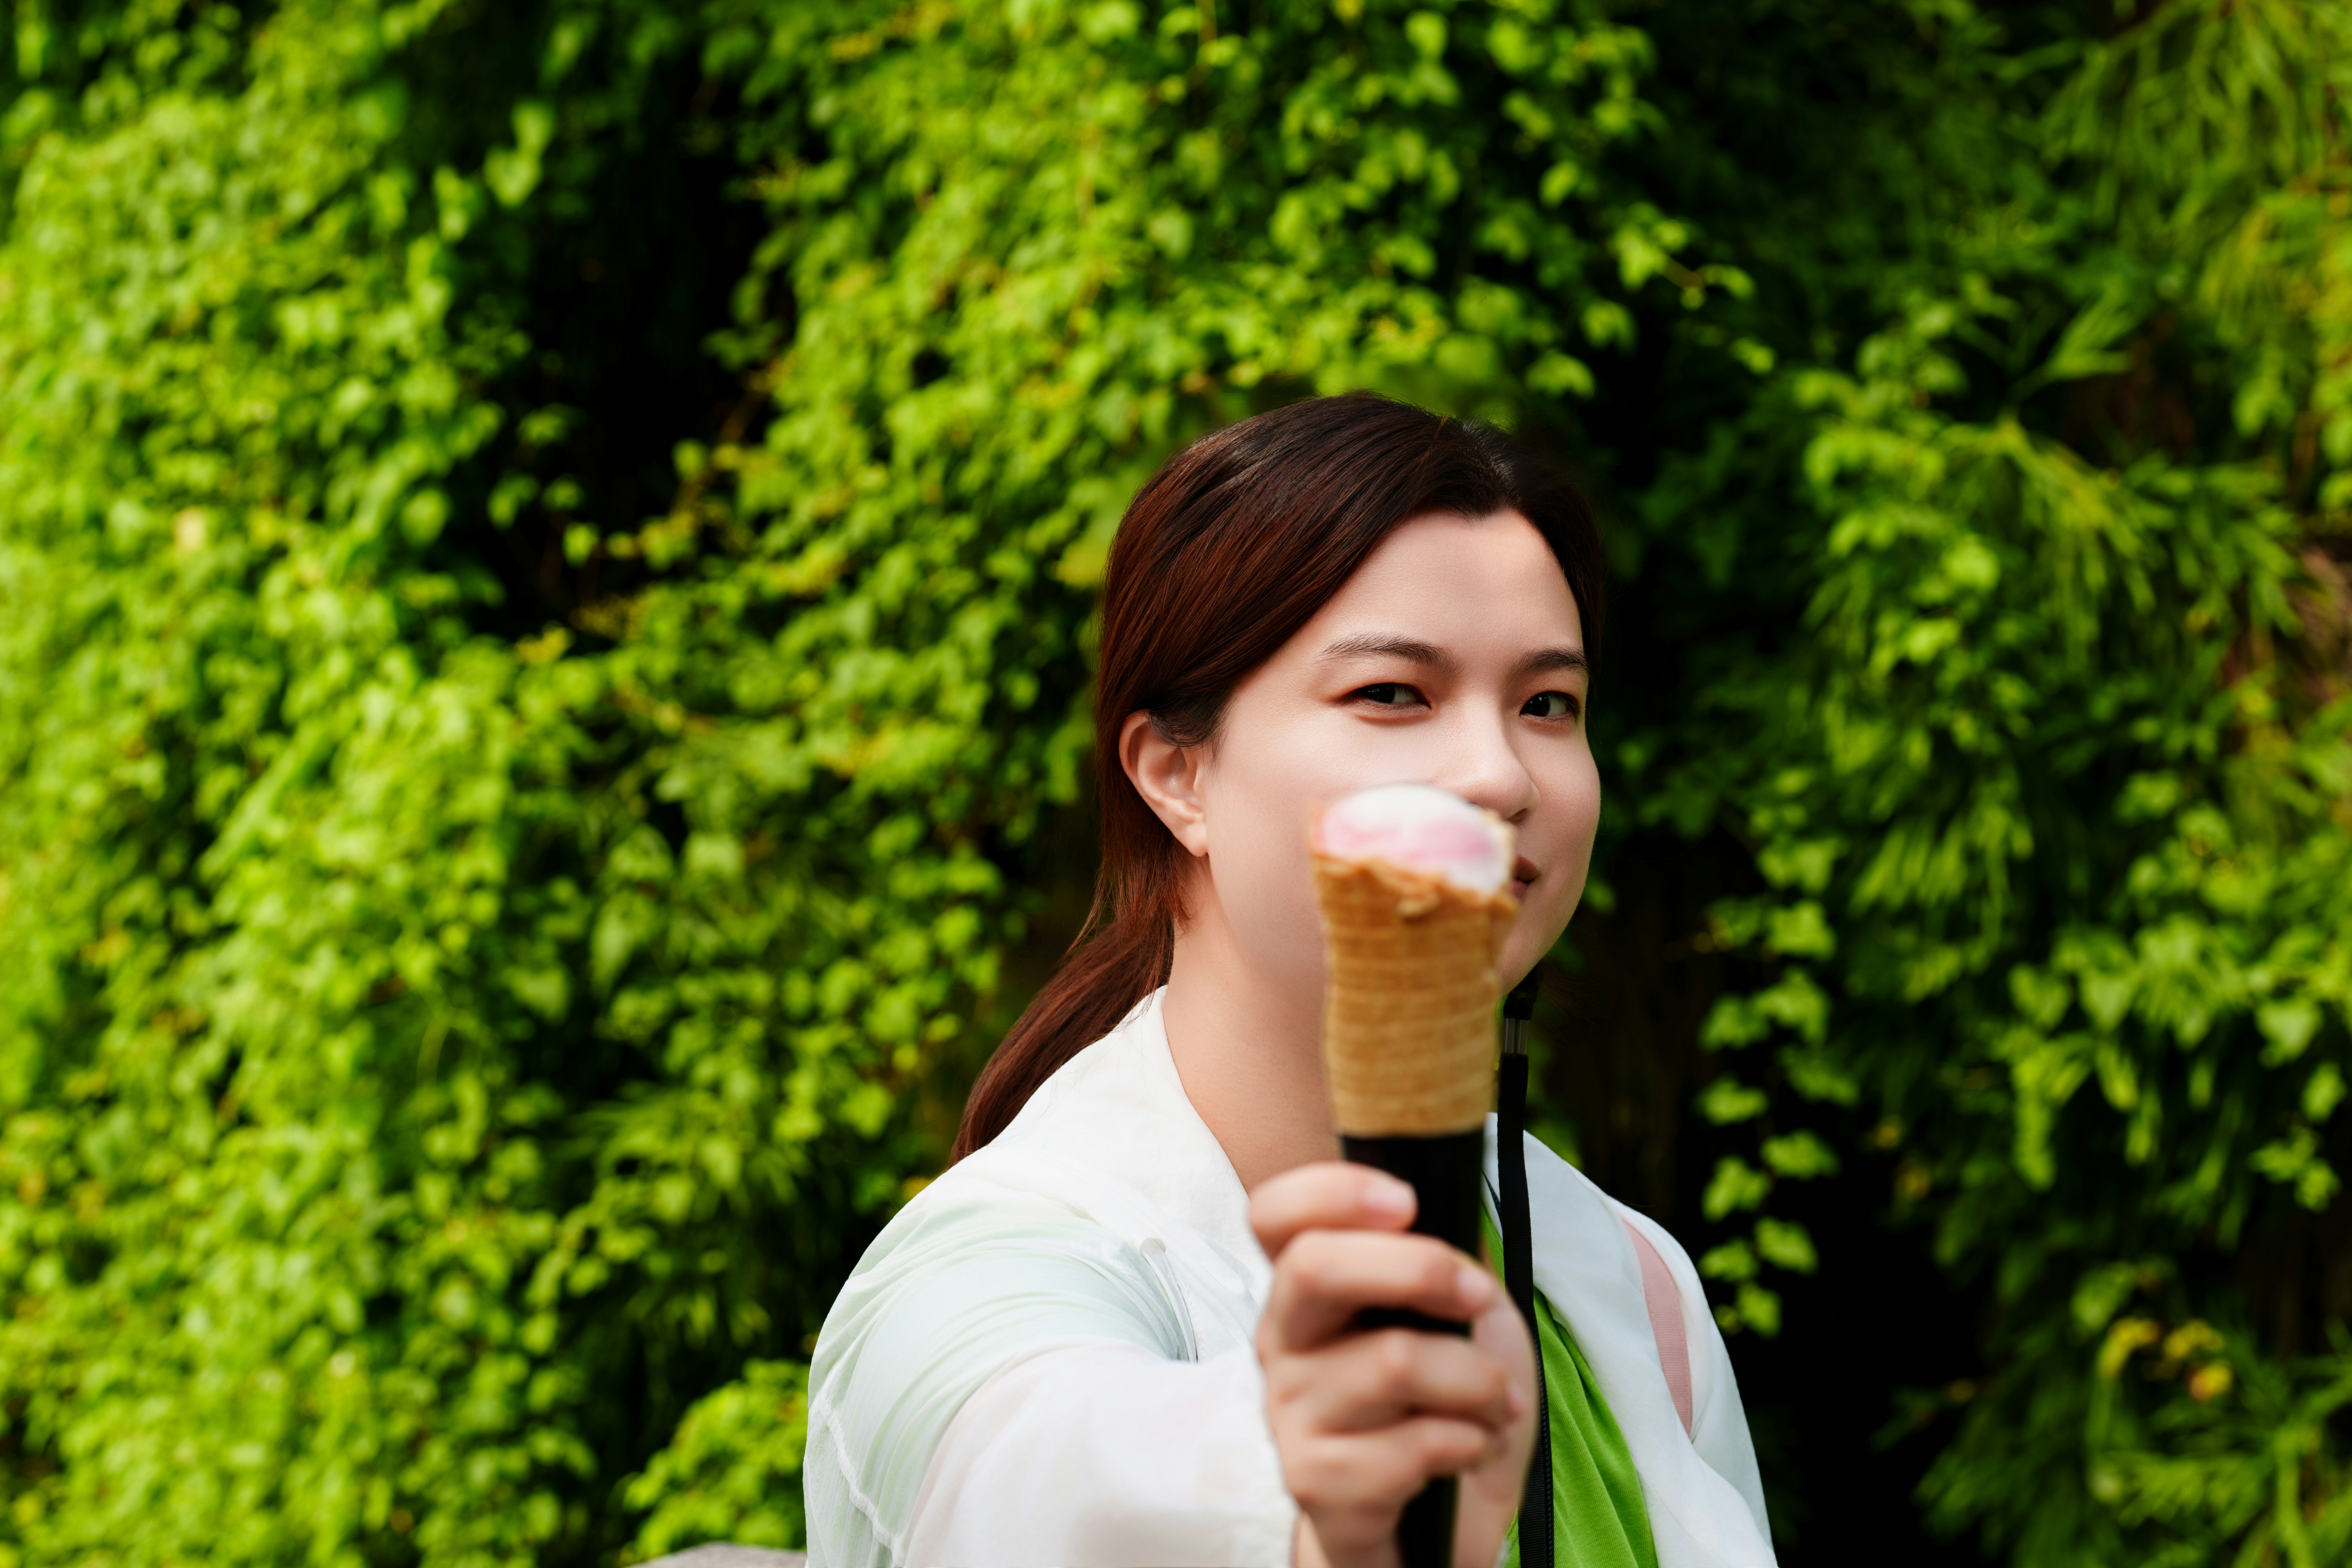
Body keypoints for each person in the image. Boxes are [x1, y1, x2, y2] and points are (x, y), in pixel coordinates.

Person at [803, 395, 1777, 1568]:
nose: (1499, 774)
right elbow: (1044, 1466)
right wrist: (1313, 1502)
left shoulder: (1638, 1286)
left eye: (1546, 705)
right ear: (1179, 775)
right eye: (1392, 694)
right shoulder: (991, 1273)